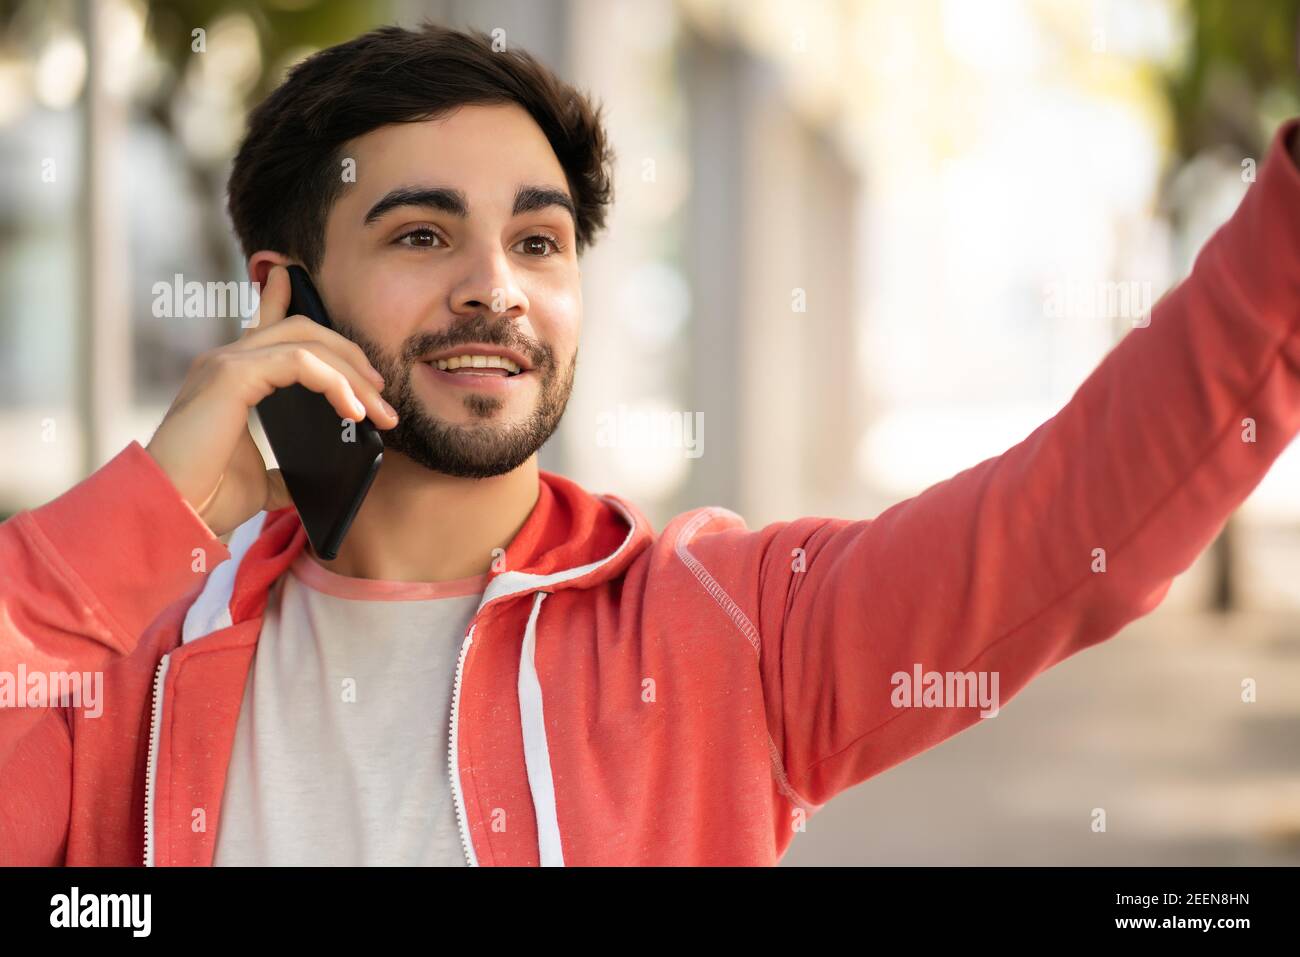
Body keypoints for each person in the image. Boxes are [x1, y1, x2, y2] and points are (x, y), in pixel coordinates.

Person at [2, 22, 1298, 866]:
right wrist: (140, 525)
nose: (495, 286)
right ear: (280, 297)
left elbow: (1079, 516)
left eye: (539, 240)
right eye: (420, 234)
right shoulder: (120, 663)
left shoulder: (727, 627)